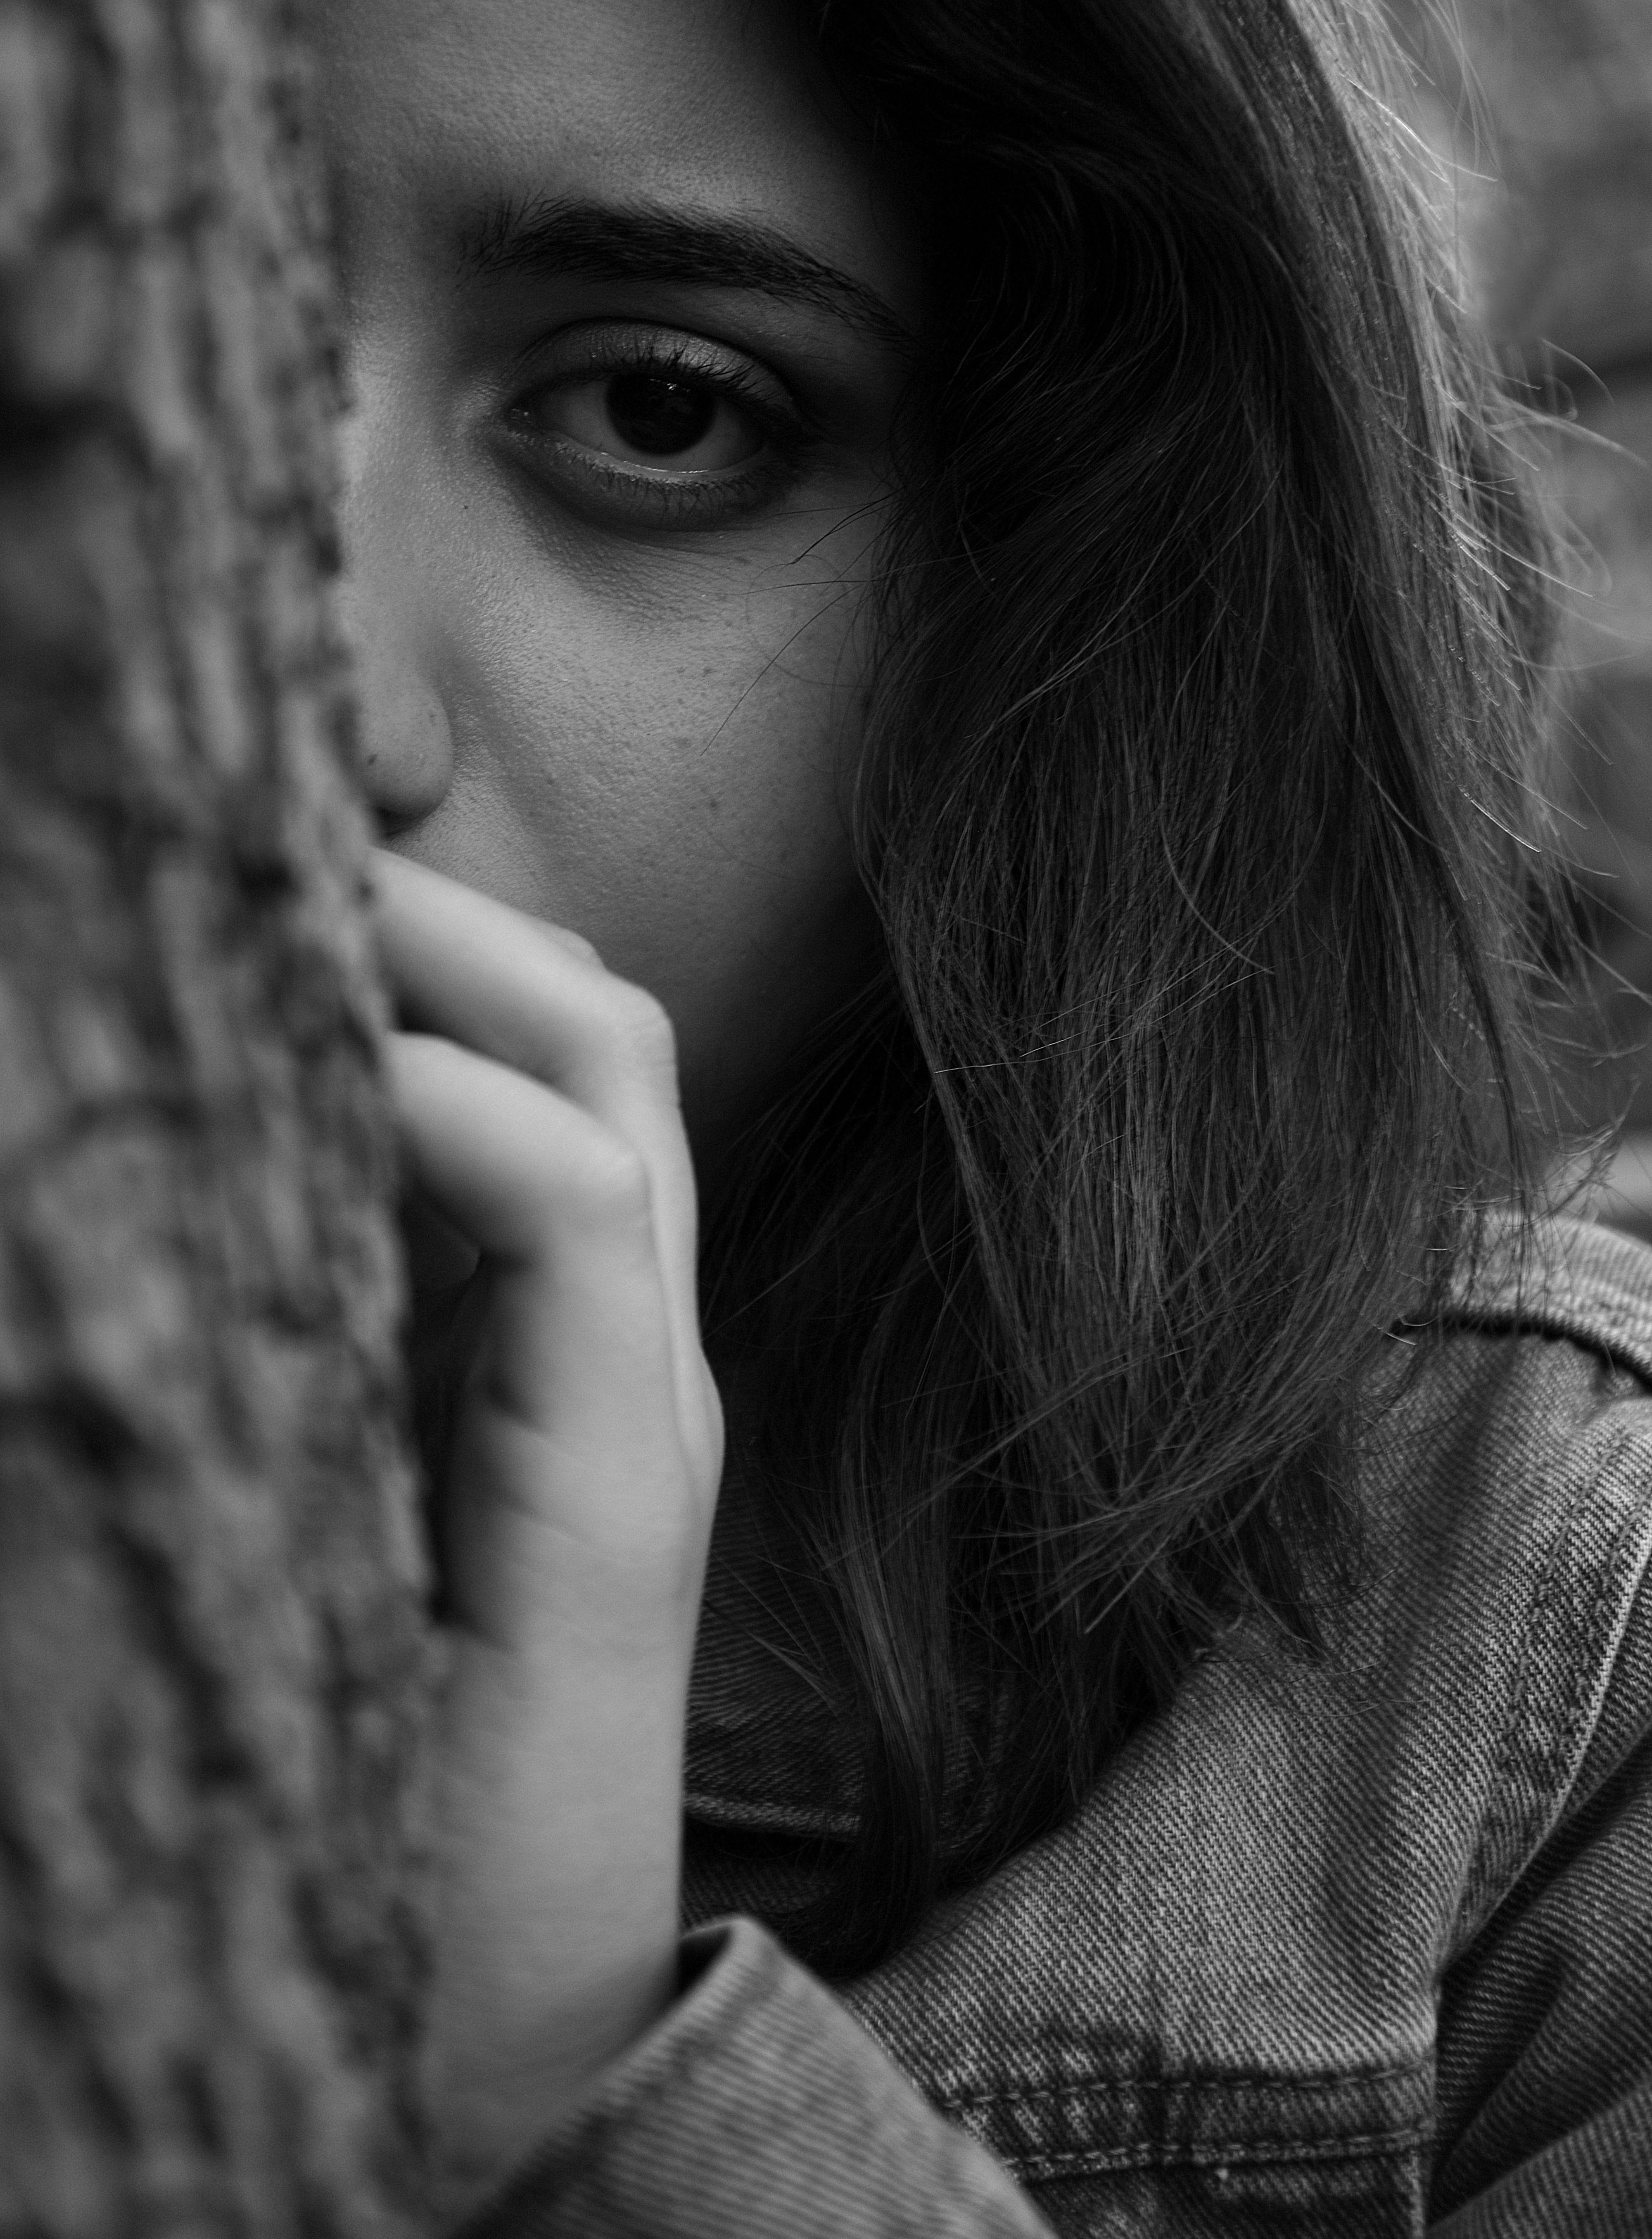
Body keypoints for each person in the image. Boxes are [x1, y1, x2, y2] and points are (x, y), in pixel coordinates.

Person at [315, 0, 1652, 2230]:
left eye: (658, 407)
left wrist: (556, 2098)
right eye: (60, 386)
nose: (315, 688)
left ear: (1024, 601)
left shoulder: (1542, 1697)